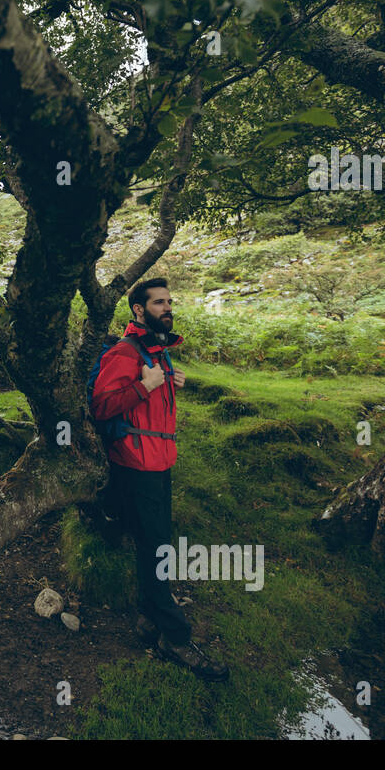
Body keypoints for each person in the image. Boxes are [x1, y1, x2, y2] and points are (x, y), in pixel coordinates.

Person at [91, 277, 229, 682]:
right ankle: (176, 637)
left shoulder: (157, 350)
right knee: (157, 551)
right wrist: (143, 385)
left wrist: (167, 381)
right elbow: (102, 405)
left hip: (157, 463)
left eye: (169, 301)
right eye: (158, 303)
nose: (167, 308)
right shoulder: (125, 352)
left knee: (153, 546)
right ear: (138, 310)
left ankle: (149, 621)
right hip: (137, 467)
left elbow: (147, 406)